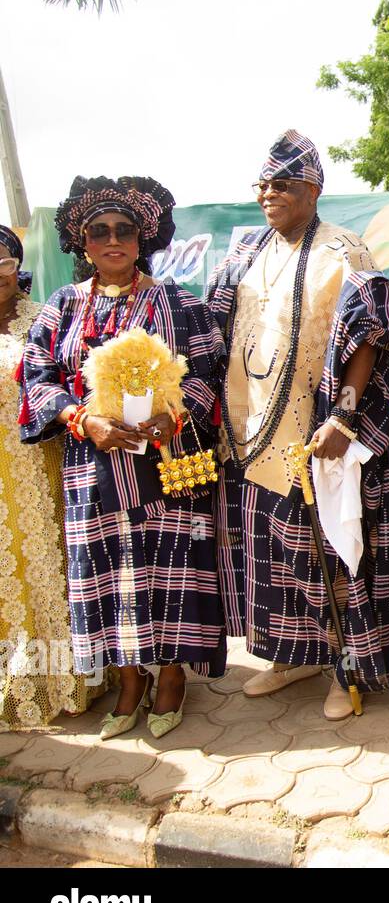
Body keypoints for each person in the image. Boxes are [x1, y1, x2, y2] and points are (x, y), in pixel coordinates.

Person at [207, 131, 389, 720]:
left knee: (333, 547)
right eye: (264, 185)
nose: (270, 195)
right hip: (251, 434)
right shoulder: (245, 251)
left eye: (284, 185)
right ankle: (292, 654)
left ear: (314, 190)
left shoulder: (342, 251)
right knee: (271, 553)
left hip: (318, 429)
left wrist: (345, 416)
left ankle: (345, 664)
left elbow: (368, 338)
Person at [19, 178, 226, 738]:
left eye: (125, 231)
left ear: (143, 239)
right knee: (110, 573)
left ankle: (174, 676)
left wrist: (175, 413)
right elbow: (36, 378)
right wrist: (81, 418)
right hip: (94, 468)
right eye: (100, 232)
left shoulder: (181, 303)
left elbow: (210, 372)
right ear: (82, 243)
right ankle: (130, 679)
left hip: (167, 463)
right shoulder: (61, 307)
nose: (114, 240)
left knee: (170, 569)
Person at [1, 224, 108, 729]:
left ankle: (73, 678)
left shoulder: (43, 315)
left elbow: (59, 379)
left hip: (41, 461)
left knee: (51, 562)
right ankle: (16, 684)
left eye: (2, 262)